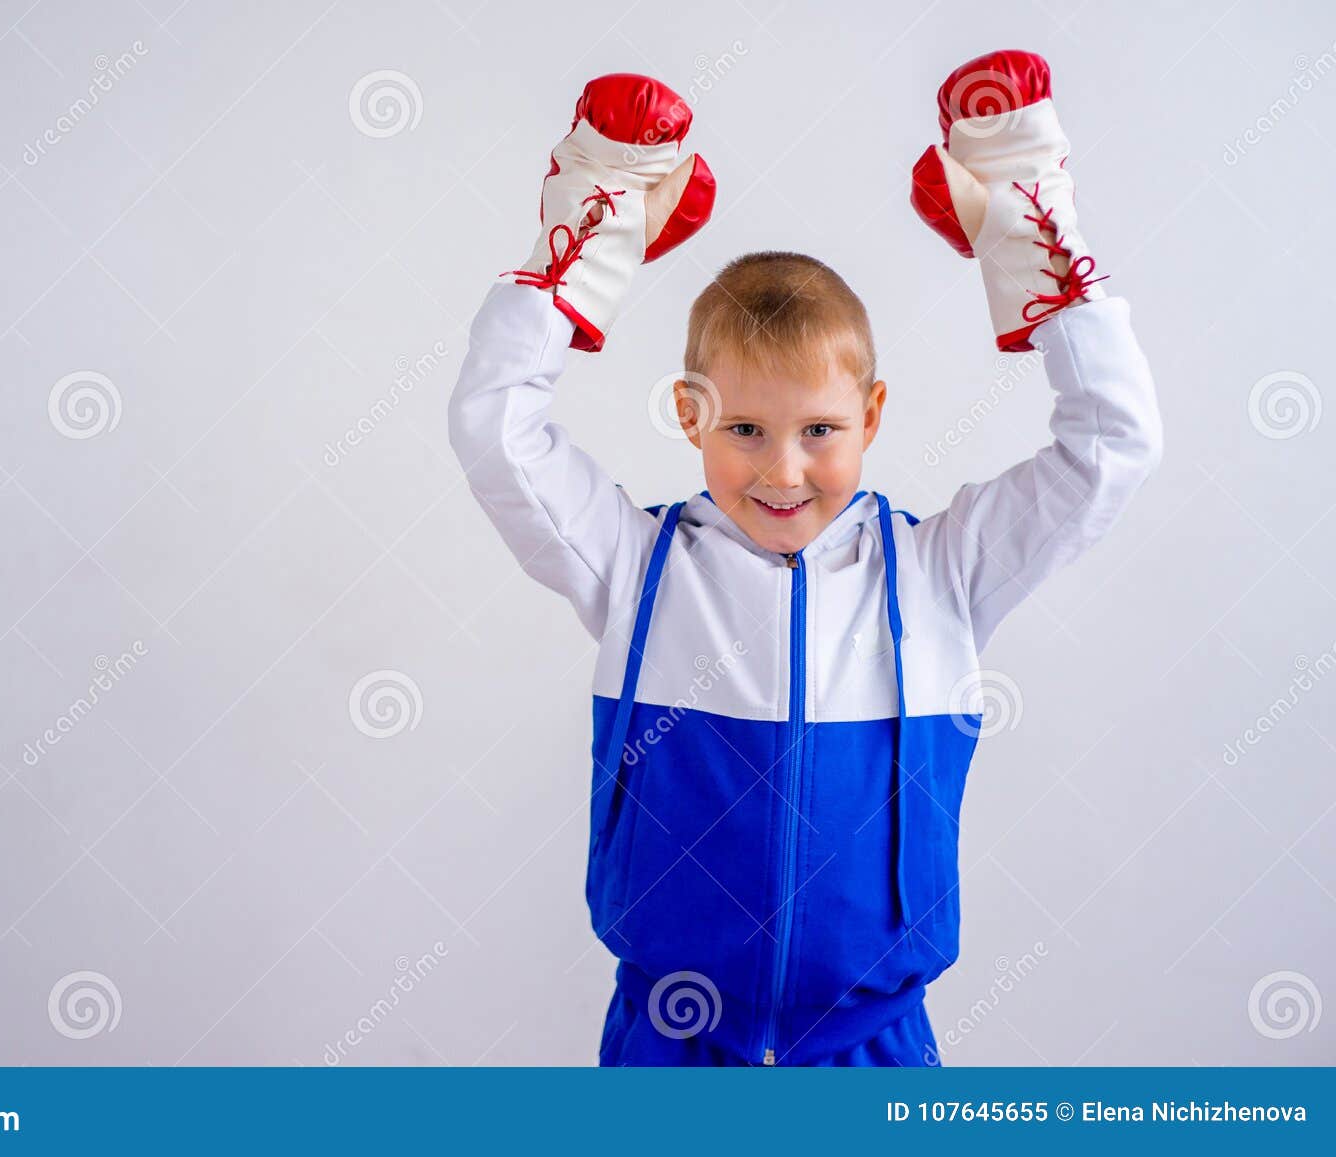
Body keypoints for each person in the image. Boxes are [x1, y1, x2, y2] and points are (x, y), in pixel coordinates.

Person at [446, 53, 1161, 1066]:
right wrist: (584, 245)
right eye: (743, 426)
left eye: (819, 428)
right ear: (688, 413)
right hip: (666, 1047)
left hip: (872, 1051)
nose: (782, 468)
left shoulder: (940, 572)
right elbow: (493, 430)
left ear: (871, 415)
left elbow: (1110, 448)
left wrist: (1032, 237)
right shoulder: (636, 563)